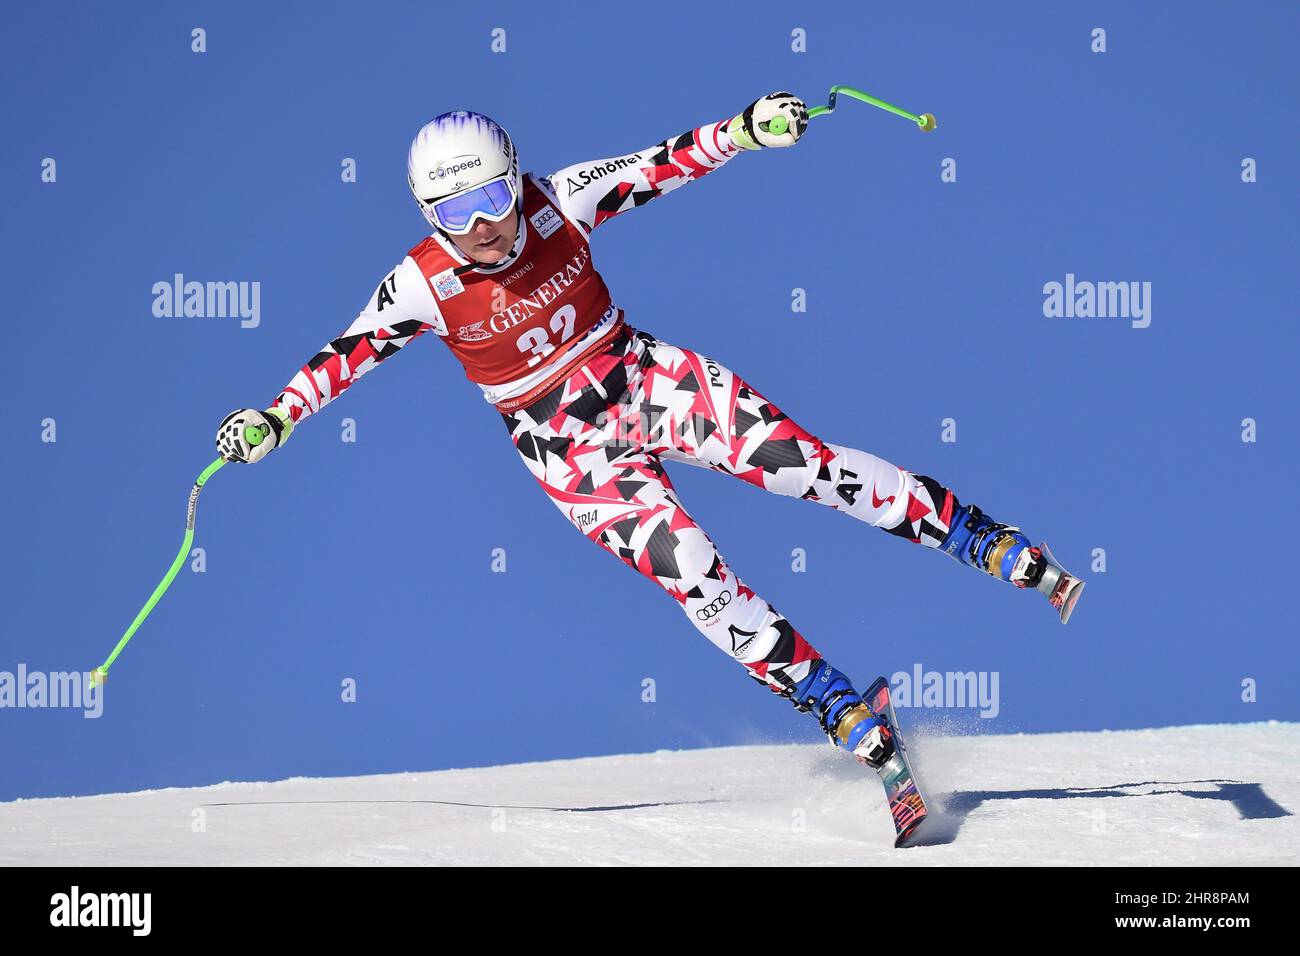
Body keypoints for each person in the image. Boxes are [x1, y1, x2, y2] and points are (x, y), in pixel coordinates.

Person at [215, 93, 1083, 769]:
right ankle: (831, 699)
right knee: (691, 569)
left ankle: (981, 538)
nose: (482, 227)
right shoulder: (422, 283)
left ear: (514, 176)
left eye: (490, 196)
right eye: (455, 213)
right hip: (569, 451)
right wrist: (275, 418)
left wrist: (748, 128)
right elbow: (346, 354)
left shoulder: (561, 200)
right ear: (427, 218)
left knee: (797, 465)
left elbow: (664, 163)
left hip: (642, 377)